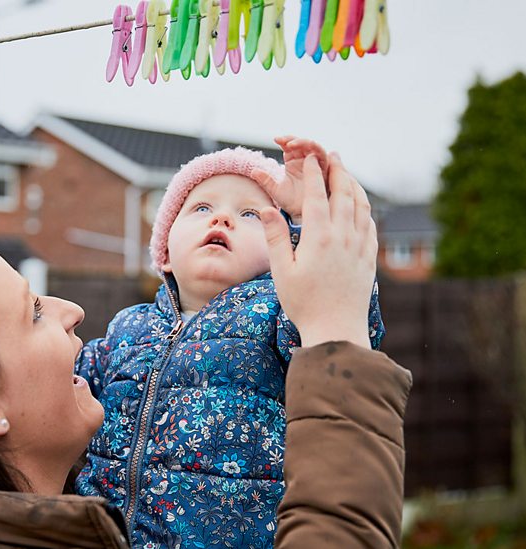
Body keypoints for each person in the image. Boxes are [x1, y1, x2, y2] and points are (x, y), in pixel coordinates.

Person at [0, 149, 411, 548]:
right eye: (33, 313)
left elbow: (324, 309)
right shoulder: (133, 333)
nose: (74, 314)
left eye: (252, 215)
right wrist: (340, 334)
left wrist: (311, 245)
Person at [73, 139, 384, 547]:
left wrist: (309, 213)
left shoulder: (278, 314)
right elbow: (63, 386)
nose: (221, 218)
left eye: (251, 214)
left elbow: (342, 324)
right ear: (164, 252)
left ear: (284, 253)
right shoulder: (126, 327)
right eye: (201, 208)